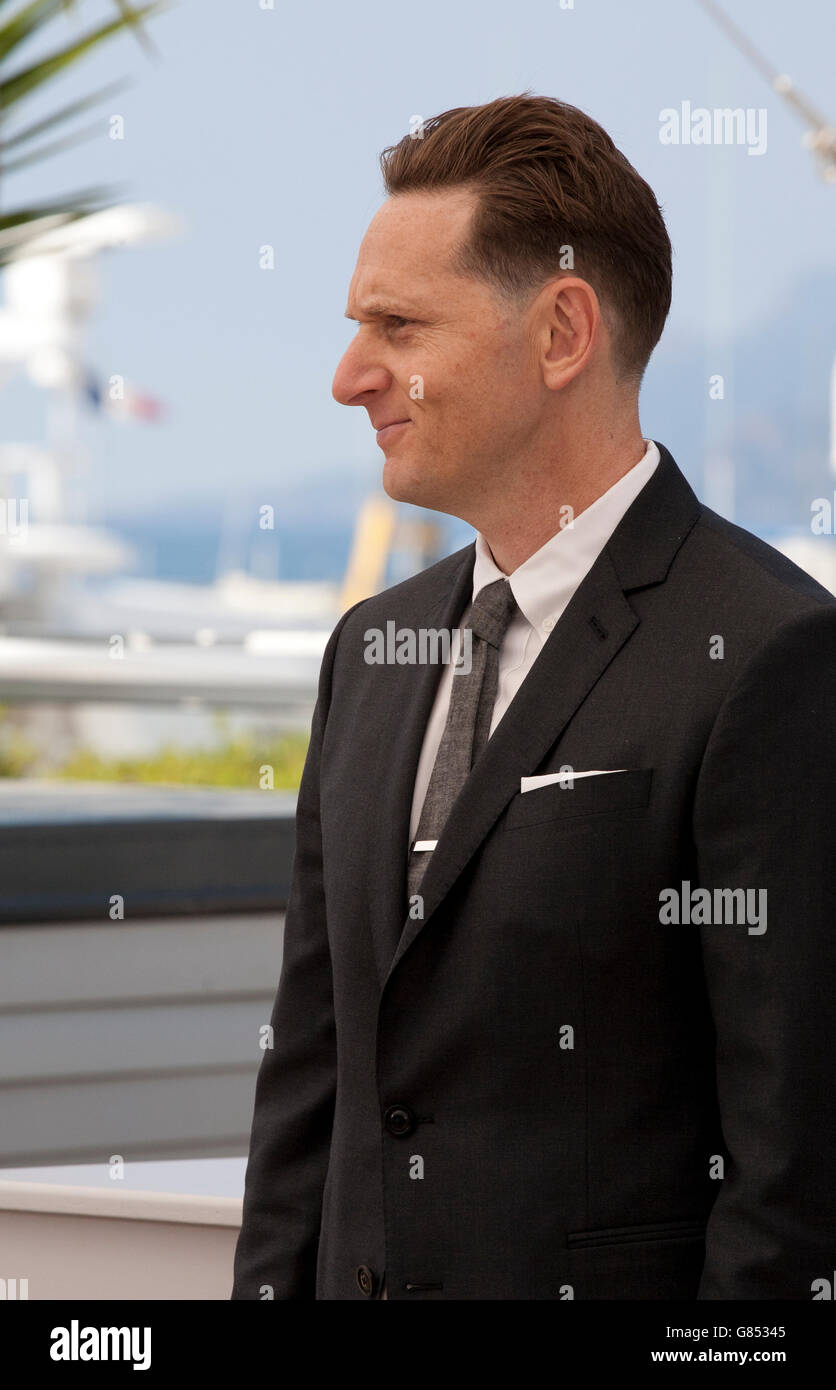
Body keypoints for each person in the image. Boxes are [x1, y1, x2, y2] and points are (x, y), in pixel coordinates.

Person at [231, 94, 836, 1300]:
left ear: (561, 332)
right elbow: (313, 1074)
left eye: (396, 325)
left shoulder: (773, 656)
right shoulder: (369, 648)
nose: (350, 377)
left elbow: (795, 1170)